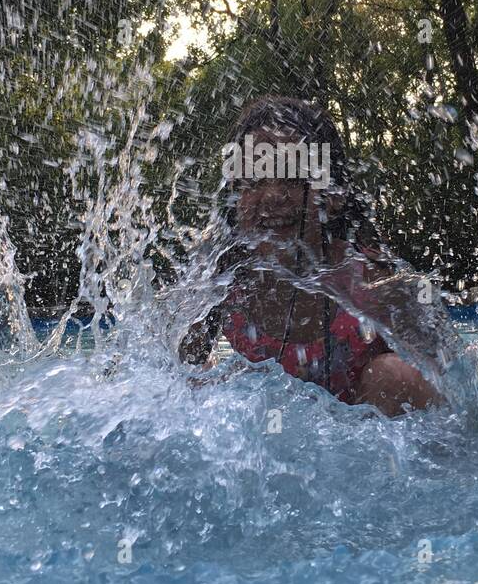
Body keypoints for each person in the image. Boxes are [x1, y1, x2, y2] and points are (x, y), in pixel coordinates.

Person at [179, 96, 443, 417]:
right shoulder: (223, 282)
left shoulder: (372, 281)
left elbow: (452, 387)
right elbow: (174, 379)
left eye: (292, 178)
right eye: (254, 181)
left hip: (371, 431)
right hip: (283, 431)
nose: (274, 195)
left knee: (392, 375)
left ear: (333, 195)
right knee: (205, 383)